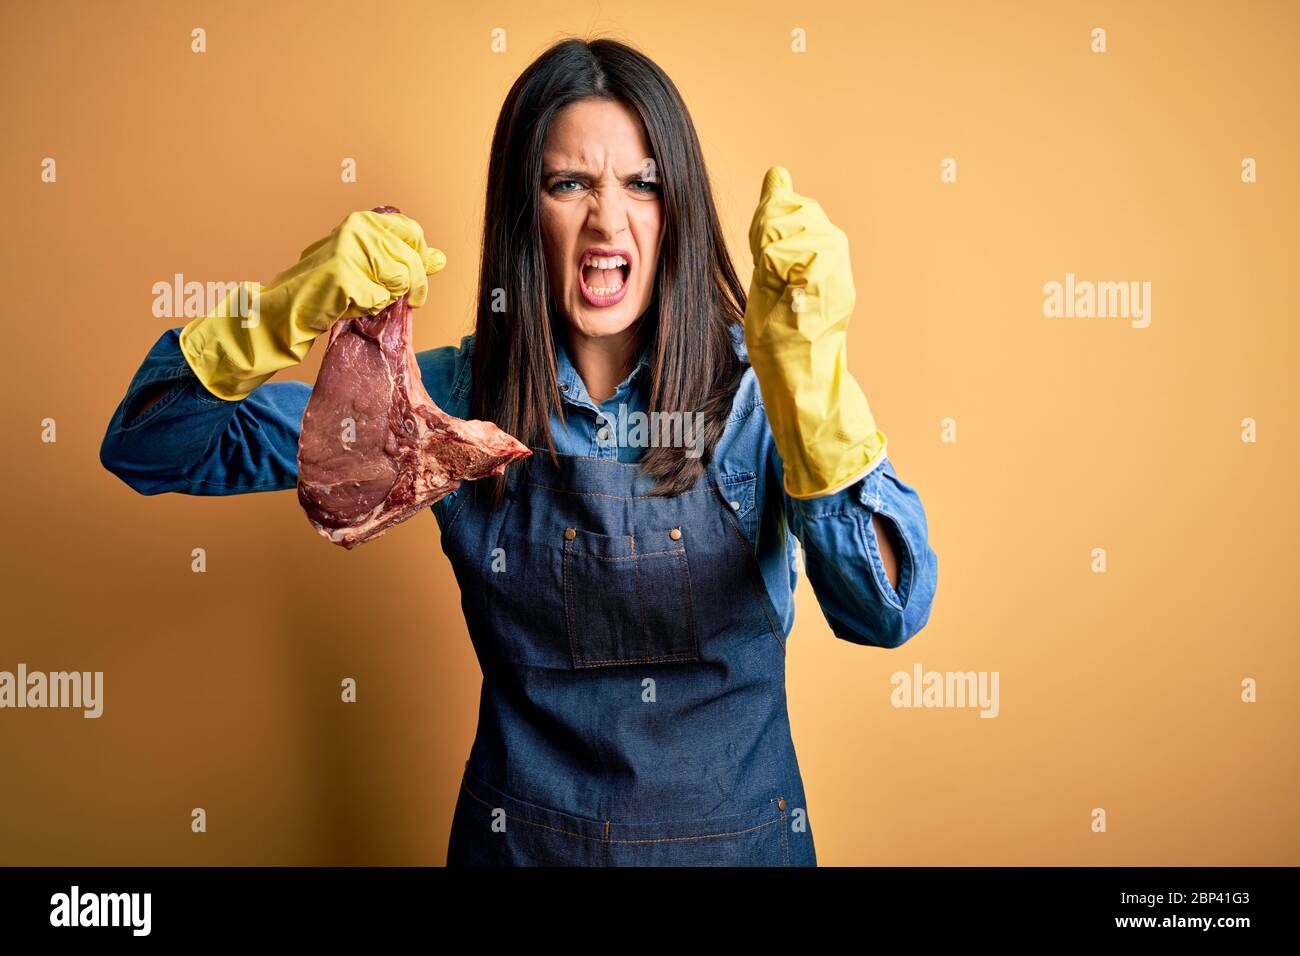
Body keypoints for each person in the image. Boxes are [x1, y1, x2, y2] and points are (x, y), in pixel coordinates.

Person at [100, 37, 938, 866]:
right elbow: (151, 444)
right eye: (568, 183)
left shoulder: (767, 392)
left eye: (642, 185)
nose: (607, 219)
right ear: (521, 211)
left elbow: (887, 613)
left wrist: (815, 390)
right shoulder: (443, 405)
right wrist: (276, 313)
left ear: (676, 208)